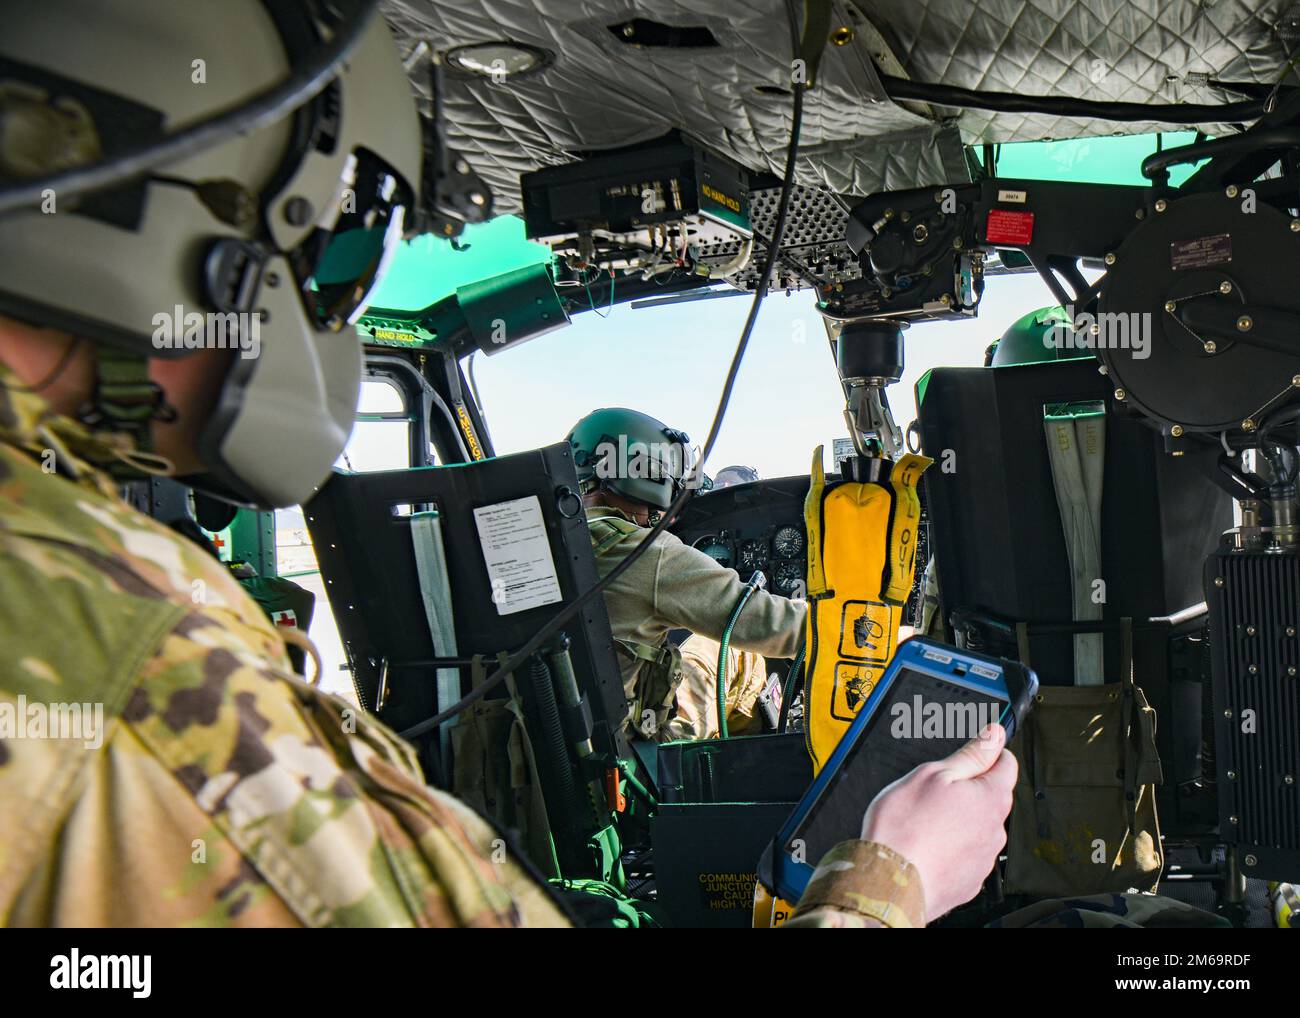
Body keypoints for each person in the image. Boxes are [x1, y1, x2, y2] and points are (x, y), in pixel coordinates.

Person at [0, 1, 1014, 929]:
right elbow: (766, 624)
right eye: (335, 263)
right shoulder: (120, 644)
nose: (325, 318)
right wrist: (889, 877)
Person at [568, 408, 803, 741]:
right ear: (649, 474)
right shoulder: (647, 552)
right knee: (737, 648)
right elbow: (775, 626)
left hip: (561, 754)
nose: (671, 512)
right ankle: (749, 769)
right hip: (634, 756)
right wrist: (882, 631)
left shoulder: (543, 541)